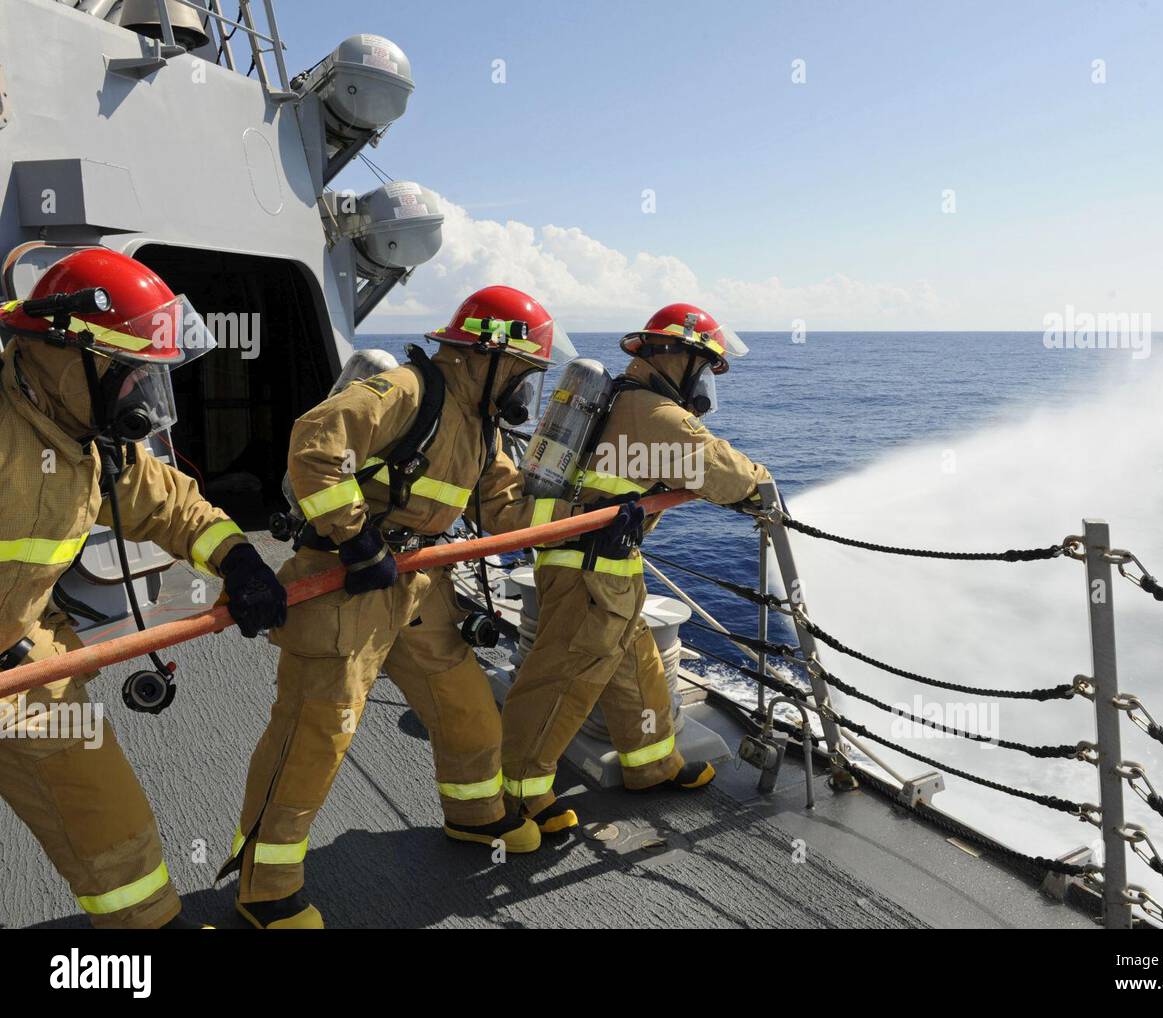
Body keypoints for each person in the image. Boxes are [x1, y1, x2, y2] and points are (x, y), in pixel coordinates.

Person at [223, 285, 600, 929]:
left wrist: (586, 516)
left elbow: (504, 509)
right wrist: (357, 536)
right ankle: (266, 884)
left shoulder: (482, 427)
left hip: (420, 582)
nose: (524, 390)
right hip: (347, 581)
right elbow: (315, 443)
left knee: (464, 705)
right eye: (523, 373)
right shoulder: (406, 391)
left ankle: (477, 815)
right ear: (485, 358)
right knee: (316, 731)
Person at [0, 248, 286, 929]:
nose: (142, 397)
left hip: (22, 651)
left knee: (104, 806)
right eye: (131, 376)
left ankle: (149, 929)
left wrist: (239, 560)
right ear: (75, 359)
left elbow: (170, 505)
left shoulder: (88, 436)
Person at [500, 303, 772, 834]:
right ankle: (518, 796)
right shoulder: (653, 414)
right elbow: (724, 471)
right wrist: (762, 487)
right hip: (591, 573)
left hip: (601, 568)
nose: (704, 385)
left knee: (636, 670)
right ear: (678, 358)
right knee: (560, 683)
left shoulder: (622, 401)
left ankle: (651, 764)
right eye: (703, 367)